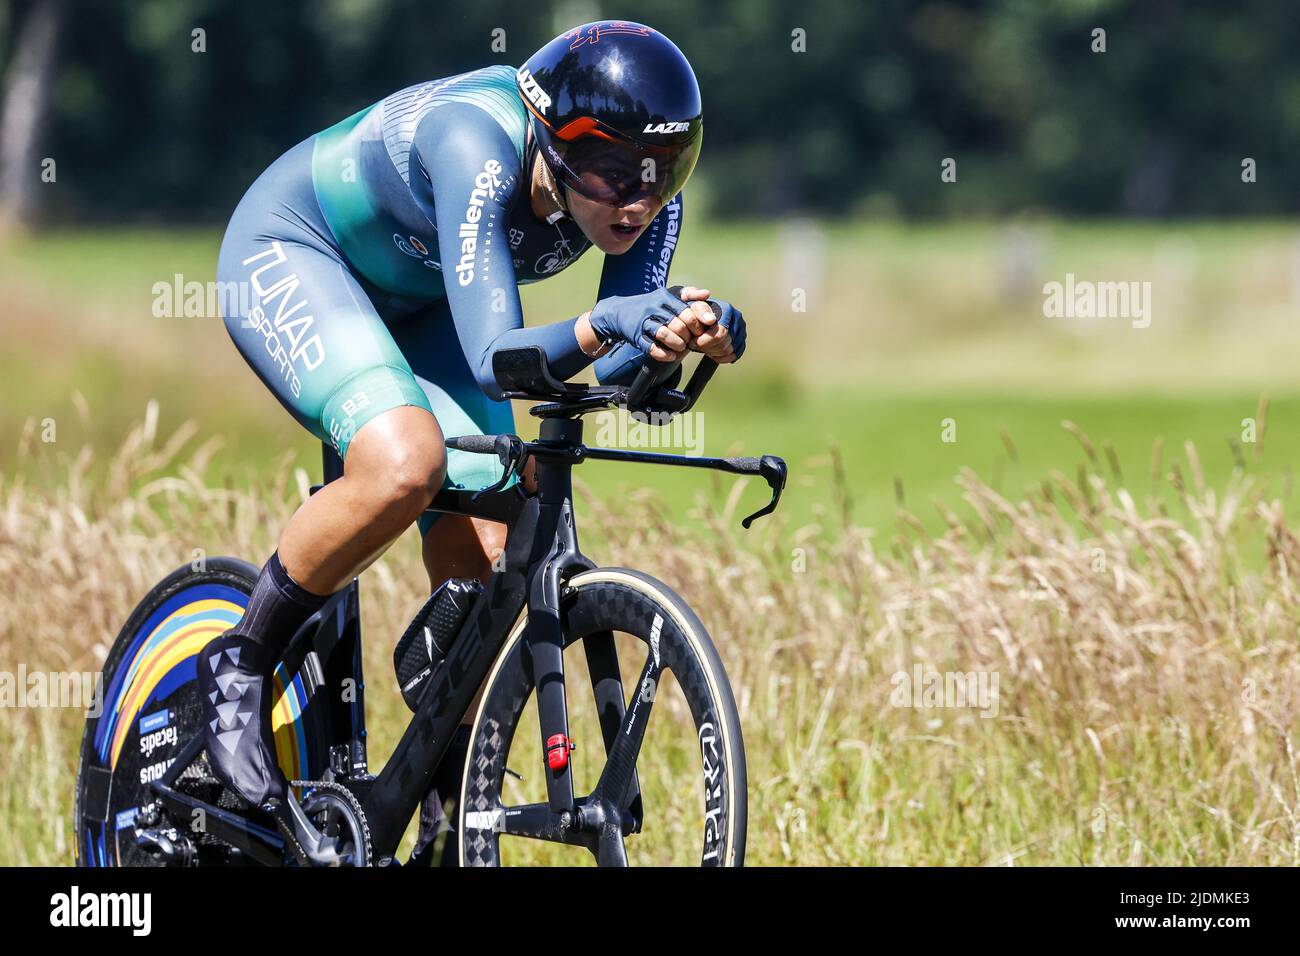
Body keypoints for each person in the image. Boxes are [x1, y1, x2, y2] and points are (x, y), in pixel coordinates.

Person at [199, 19, 747, 863]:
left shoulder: (641, 203)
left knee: (501, 542)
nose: (637, 197)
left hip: (427, 306)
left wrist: (687, 339)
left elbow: (625, 364)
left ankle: (440, 818)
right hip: (300, 255)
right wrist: (610, 322)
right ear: (552, 144)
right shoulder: (475, 142)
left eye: (662, 169)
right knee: (404, 464)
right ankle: (238, 665)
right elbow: (498, 362)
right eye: (611, 168)